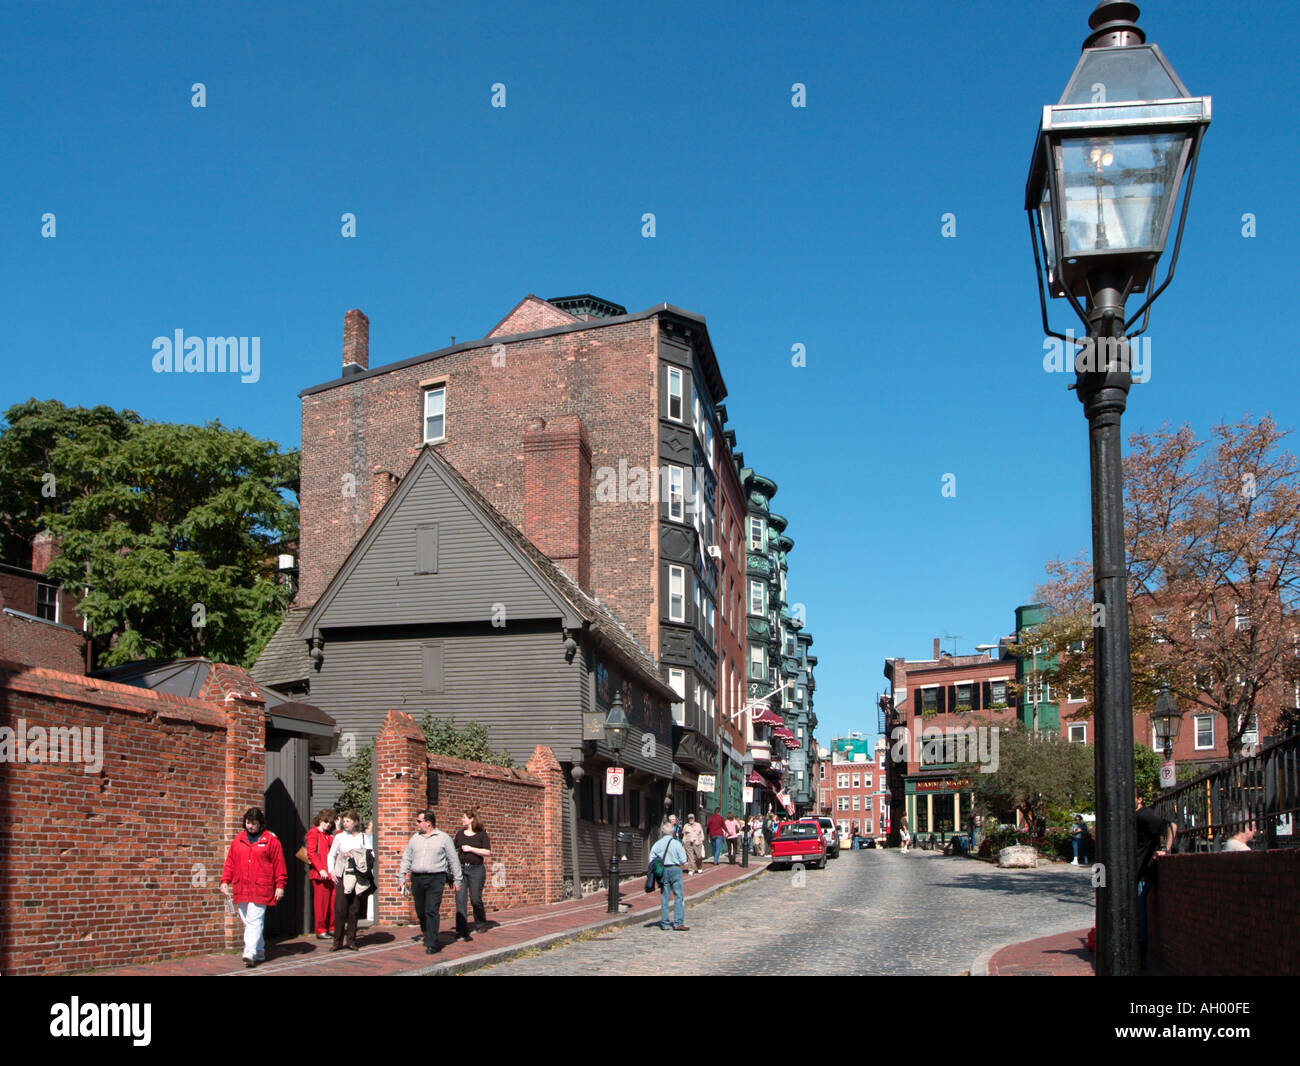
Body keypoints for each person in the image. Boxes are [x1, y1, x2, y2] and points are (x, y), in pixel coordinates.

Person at [220, 807, 287, 968]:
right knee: (247, 920)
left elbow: (279, 864)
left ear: (261, 824)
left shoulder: (271, 841)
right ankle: (259, 950)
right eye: (248, 823)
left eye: (254, 823)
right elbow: (230, 862)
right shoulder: (238, 840)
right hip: (241, 885)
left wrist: (280, 885)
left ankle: (249, 952)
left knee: (254, 920)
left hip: (261, 886)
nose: (250, 826)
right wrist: (225, 881)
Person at [397, 808, 463, 955]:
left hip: (436, 878)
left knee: (432, 910)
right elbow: (406, 858)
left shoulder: (443, 838)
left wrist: (458, 880)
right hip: (417, 878)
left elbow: (453, 859)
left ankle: (432, 943)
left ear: (428, 823)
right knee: (421, 911)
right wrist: (401, 877)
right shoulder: (415, 838)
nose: (417, 824)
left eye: (419, 821)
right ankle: (427, 933)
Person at [1135, 792, 1176, 970]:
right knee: (1136, 916)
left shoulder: (1146, 816)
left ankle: (1140, 957)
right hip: (1135, 872)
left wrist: (1166, 849)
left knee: (1139, 917)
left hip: (1143, 873)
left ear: (1139, 798)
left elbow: (1171, 826)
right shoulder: (1136, 816)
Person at [326, 809, 372, 952]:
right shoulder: (339, 837)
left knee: (354, 909)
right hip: (343, 875)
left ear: (355, 822)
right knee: (340, 908)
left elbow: (371, 855)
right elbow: (331, 855)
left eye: (348, 821)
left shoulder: (363, 837)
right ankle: (337, 941)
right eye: (344, 821)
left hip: (358, 876)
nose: (345, 824)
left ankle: (351, 940)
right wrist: (331, 871)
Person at [454, 809, 491, 940]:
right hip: (462, 870)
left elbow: (487, 852)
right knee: (460, 899)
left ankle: (480, 923)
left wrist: (471, 849)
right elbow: (454, 851)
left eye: (464, 817)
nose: (462, 820)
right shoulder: (460, 834)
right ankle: (461, 929)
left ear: (471, 819)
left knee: (475, 899)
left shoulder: (482, 835)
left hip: (477, 869)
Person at [649, 820, 690, 931]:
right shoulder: (677, 844)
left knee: (664, 897)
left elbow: (651, 858)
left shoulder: (657, 844)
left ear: (663, 832)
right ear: (673, 832)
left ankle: (665, 923)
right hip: (675, 869)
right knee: (678, 896)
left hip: (663, 871)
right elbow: (683, 860)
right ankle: (678, 922)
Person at [305, 808, 336, 939]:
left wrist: (338, 828)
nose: (328, 824)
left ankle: (333, 927)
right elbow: (311, 853)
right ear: (320, 820)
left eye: (330, 822)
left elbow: (337, 845)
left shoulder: (328, 835)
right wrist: (320, 869)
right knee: (321, 904)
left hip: (331, 873)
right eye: (325, 821)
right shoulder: (313, 833)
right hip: (320, 874)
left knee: (333, 902)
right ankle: (321, 929)